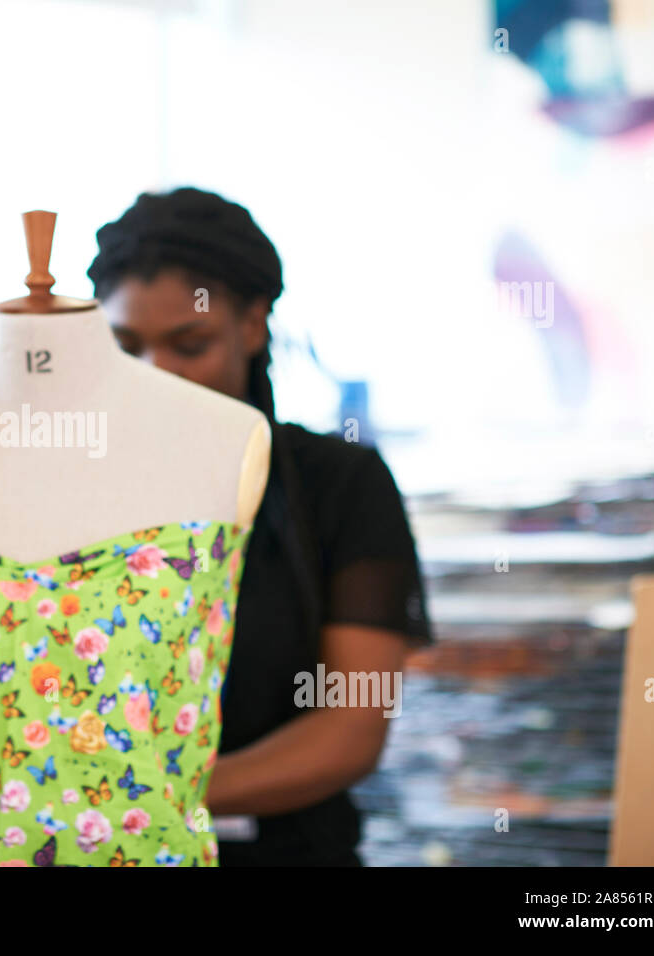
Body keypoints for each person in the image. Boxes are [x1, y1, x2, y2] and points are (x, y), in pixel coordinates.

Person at [87, 186, 434, 866]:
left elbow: (351, 727)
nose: (158, 376)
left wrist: (144, 797)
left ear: (252, 325)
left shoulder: (342, 487)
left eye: (189, 344)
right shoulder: (76, 485)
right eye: (126, 348)